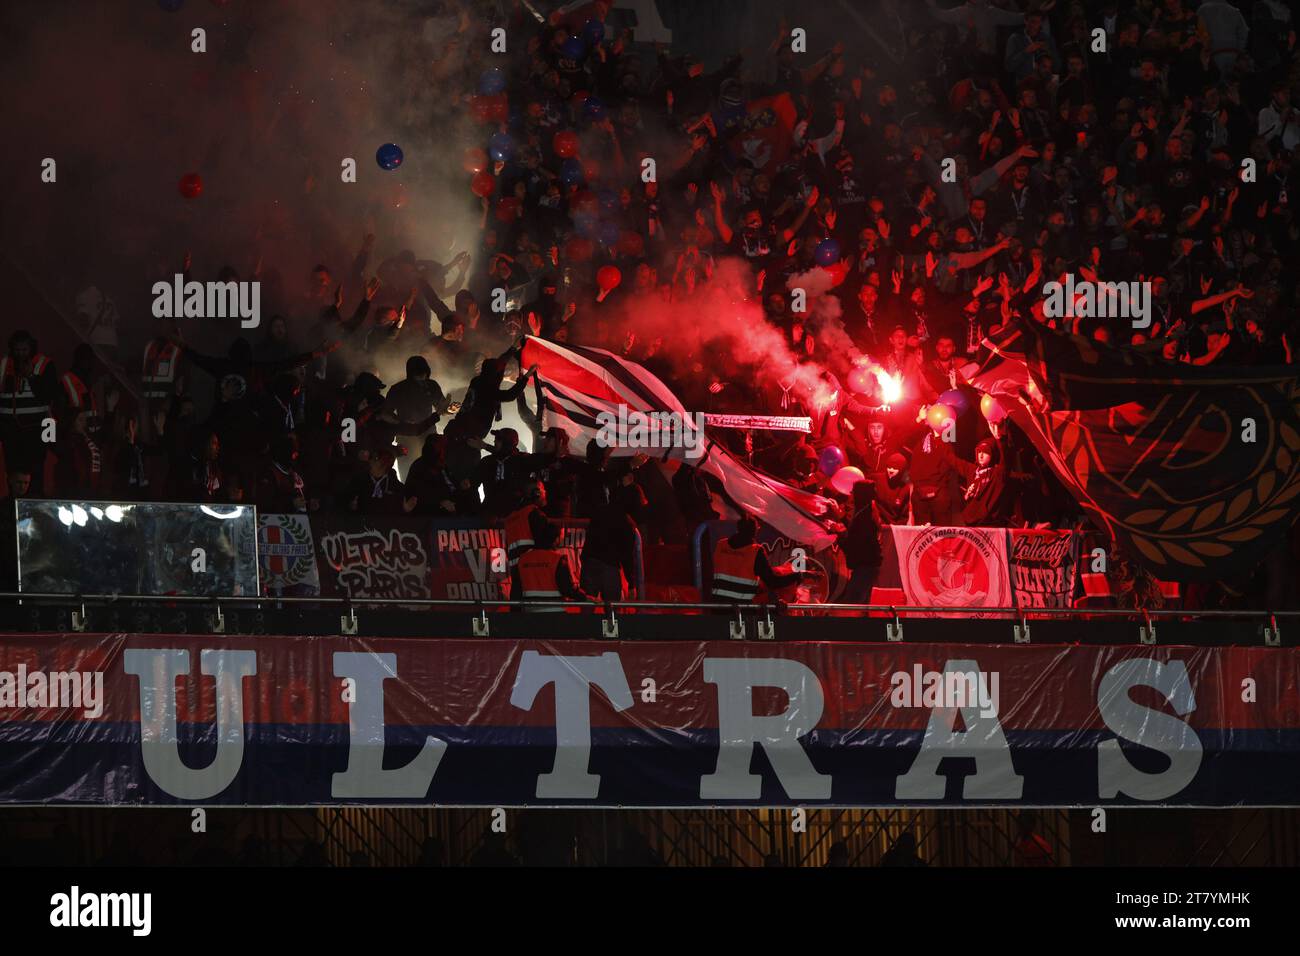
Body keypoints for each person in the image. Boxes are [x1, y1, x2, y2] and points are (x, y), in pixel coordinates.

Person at [709, 514, 810, 603]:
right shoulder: (754, 552)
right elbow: (772, 582)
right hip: (741, 608)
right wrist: (796, 576)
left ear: (738, 528)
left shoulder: (721, 545)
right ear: (755, 531)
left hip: (718, 605)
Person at [517, 520, 591, 611]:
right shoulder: (557, 559)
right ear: (556, 539)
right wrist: (584, 597)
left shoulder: (523, 559)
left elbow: (517, 588)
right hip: (555, 612)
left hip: (530, 612)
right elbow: (567, 588)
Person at [838, 481, 882, 603]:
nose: (851, 493)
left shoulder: (864, 518)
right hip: (867, 567)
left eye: (853, 491)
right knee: (862, 606)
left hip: (864, 568)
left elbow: (854, 544)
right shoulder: (865, 513)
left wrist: (839, 535)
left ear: (860, 494)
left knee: (853, 605)